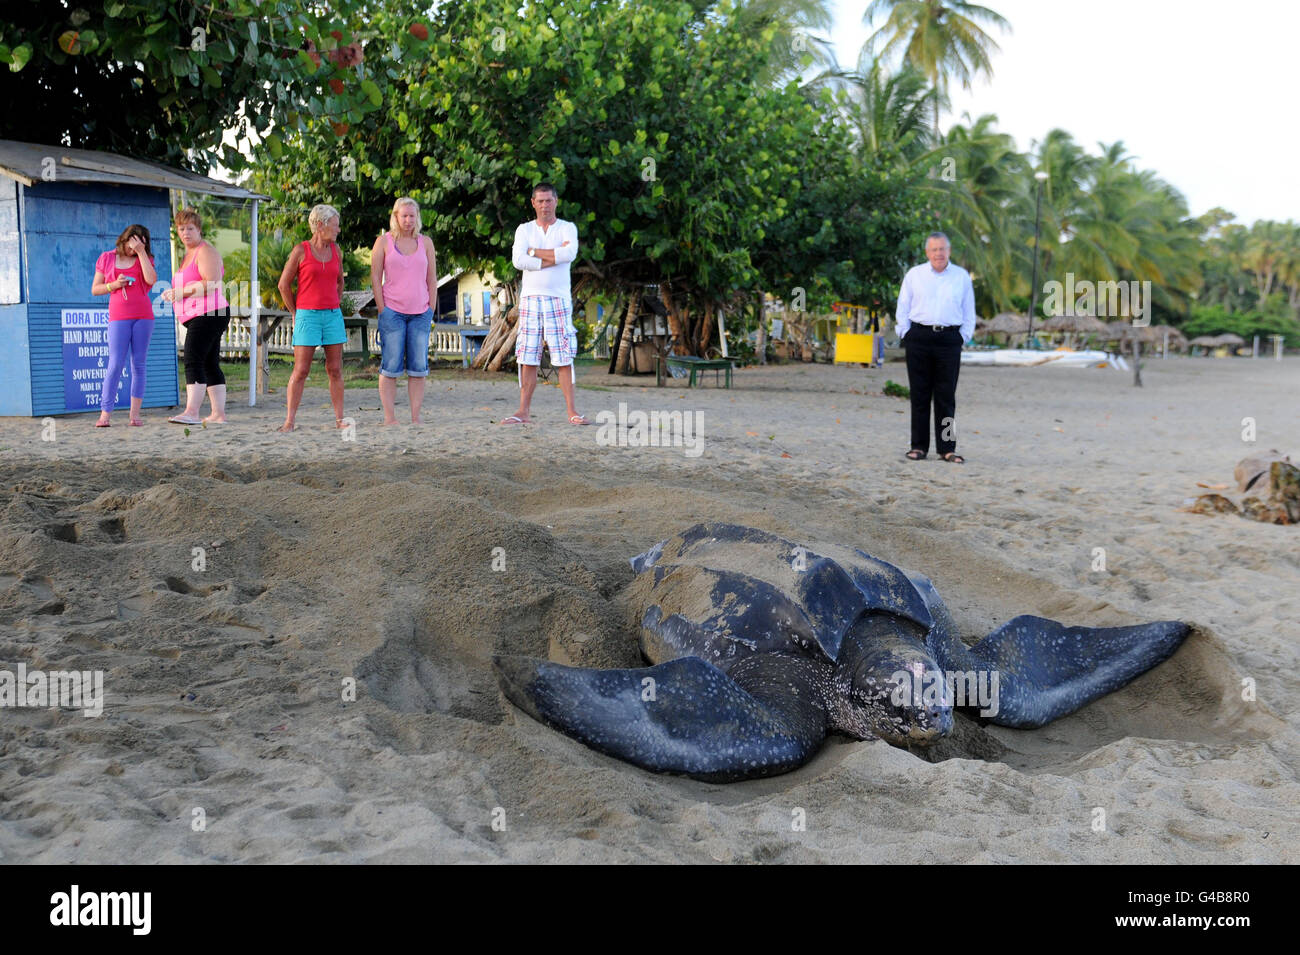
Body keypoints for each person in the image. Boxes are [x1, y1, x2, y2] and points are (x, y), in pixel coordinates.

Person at [502, 182, 587, 426]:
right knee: (527, 355)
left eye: (548, 200)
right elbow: (519, 260)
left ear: (556, 201)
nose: (544, 205)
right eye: (540, 201)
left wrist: (535, 252)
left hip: (558, 298)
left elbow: (568, 255)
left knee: (563, 354)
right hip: (530, 298)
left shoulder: (567, 228)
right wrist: (550, 256)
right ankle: (523, 411)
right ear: (533, 203)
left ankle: (572, 411)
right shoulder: (524, 230)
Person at [894, 232, 976, 463]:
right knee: (919, 396)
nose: (938, 253)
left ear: (949, 251)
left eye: (942, 249)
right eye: (934, 250)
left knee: (946, 397)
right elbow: (902, 307)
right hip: (918, 338)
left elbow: (969, 311)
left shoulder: (961, 277)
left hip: (949, 340)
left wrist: (963, 337)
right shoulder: (914, 275)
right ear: (927, 253)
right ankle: (918, 446)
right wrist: (905, 333)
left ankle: (947, 448)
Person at [277, 204, 346, 432]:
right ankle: (290, 421)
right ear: (320, 225)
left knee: (335, 369)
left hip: (333, 316)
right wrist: (295, 312)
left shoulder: (336, 251)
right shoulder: (301, 251)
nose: (338, 230)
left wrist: (334, 303)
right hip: (307, 316)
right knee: (301, 370)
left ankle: (339, 420)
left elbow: (340, 282)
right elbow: (283, 285)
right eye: (334, 225)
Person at [371, 197, 437, 425]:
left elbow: (432, 278)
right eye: (404, 216)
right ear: (396, 217)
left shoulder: (426, 242)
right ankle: (390, 418)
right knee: (390, 365)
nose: (408, 220)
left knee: (419, 367)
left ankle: (415, 417)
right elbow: (375, 277)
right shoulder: (383, 242)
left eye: (412, 216)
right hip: (393, 312)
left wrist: (431, 309)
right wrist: (382, 309)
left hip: (421, 313)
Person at [163, 207, 231, 424]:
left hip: (210, 313)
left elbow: (211, 283)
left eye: (190, 228)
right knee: (210, 363)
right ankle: (218, 414)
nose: (185, 233)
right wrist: (174, 294)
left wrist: (181, 292)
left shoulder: (205, 251)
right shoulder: (187, 255)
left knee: (193, 358)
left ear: (199, 229)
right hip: (200, 314)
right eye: (181, 229)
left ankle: (192, 412)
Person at [91, 224, 157, 427]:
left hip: (143, 317)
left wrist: (141, 253)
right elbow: (95, 289)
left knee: (138, 364)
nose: (134, 248)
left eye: (140, 244)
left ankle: (135, 415)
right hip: (118, 317)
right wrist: (114, 285)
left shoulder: (145, 258)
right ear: (125, 239)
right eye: (132, 243)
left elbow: (151, 279)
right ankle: (105, 414)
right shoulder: (107, 258)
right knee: (115, 363)